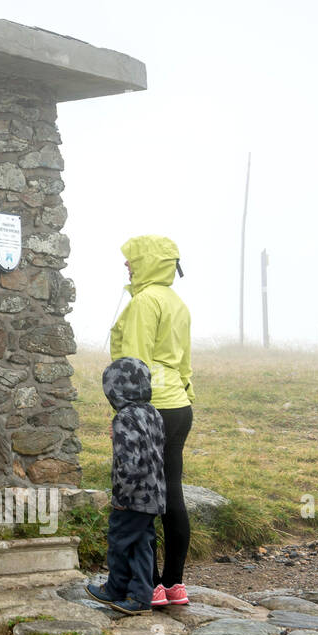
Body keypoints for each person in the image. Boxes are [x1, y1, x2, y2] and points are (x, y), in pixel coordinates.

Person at [110, 235, 194, 607]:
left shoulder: (145, 301)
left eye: (132, 259)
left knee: (143, 498)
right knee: (171, 492)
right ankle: (173, 584)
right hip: (178, 405)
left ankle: (149, 586)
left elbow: (135, 362)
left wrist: (127, 411)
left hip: (150, 408)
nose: (127, 265)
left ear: (147, 261)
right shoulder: (177, 302)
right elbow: (184, 361)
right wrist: (185, 394)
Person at [87, 357, 168, 614]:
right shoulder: (153, 413)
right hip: (155, 494)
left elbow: (129, 463)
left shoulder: (124, 417)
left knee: (120, 539)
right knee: (142, 543)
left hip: (133, 496)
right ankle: (140, 597)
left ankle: (116, 587)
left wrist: (121, 496)